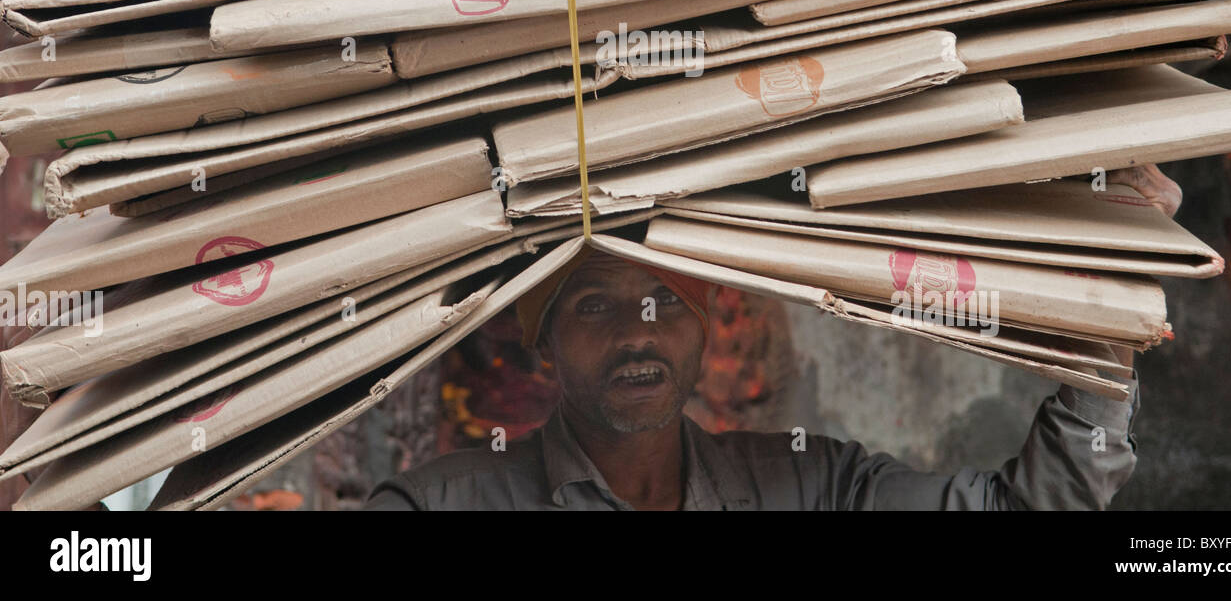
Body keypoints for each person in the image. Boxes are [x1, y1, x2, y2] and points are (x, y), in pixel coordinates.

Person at [364, 165, 1181, 511]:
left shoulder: (817, 489)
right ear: (538, 340)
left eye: (662, 300)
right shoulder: (439, 504)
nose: (635, 335)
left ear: (707, 322)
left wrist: (1108, 308)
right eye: (590, 308)